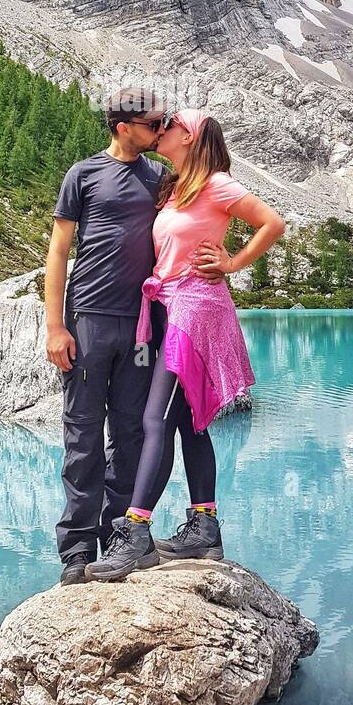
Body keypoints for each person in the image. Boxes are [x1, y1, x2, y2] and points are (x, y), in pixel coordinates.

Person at [85, 108, 286, 582]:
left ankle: (136, 535)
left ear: (189, 137)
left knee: (155, 418)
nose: (162, 129)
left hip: (194, 311)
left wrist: (232, 262)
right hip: (166, 308)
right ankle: (205, 528)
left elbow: (272, 223)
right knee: (189, 423)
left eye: (170, 123)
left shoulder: (216, 184)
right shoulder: (175, 188)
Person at [45, 87, 168, 585]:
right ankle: (76, 550)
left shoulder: (161, 177)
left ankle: (122, 540)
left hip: (140, 325)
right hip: (89, 319)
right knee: (82, 436)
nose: (160, 131)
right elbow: (57, 253)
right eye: (153, 123)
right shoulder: (83, 174)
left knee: (132, 434)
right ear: (123, 126)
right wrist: (55, 326)